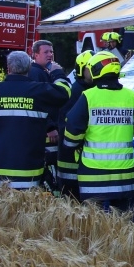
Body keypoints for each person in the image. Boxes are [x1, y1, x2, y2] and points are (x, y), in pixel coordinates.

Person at [0, 51, 71, 190]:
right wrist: (57, 72)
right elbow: (65, 91)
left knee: (3, 207)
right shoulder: (38, 91)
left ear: (8, 69)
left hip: (0, 167)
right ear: (29, 68)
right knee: (27, 206)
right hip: (30, 167)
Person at [61, 51, 134, 208]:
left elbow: (72, 131)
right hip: (124, 173)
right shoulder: (131, 96)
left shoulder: (88, 96)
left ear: (96, 71)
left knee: (93, 224)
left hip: (93, 174)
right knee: (124, 223)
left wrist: (71, 146)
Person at [54, 50, 94, 199]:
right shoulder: (77, 92)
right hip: (69, 154)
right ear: (81, 70)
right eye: (90, 68)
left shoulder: (86, 89)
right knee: (70, 195)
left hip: (77, 153)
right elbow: (66, 122)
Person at [30, 40, 61, 174]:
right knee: (49, 163)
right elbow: (39, 102)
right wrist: (50, 126)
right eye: (46, 52)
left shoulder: (44, 71)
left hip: (48, 127)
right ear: (35, 55)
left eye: (51, 52)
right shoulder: (36, 73)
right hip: (45, 130)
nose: (50, 55)